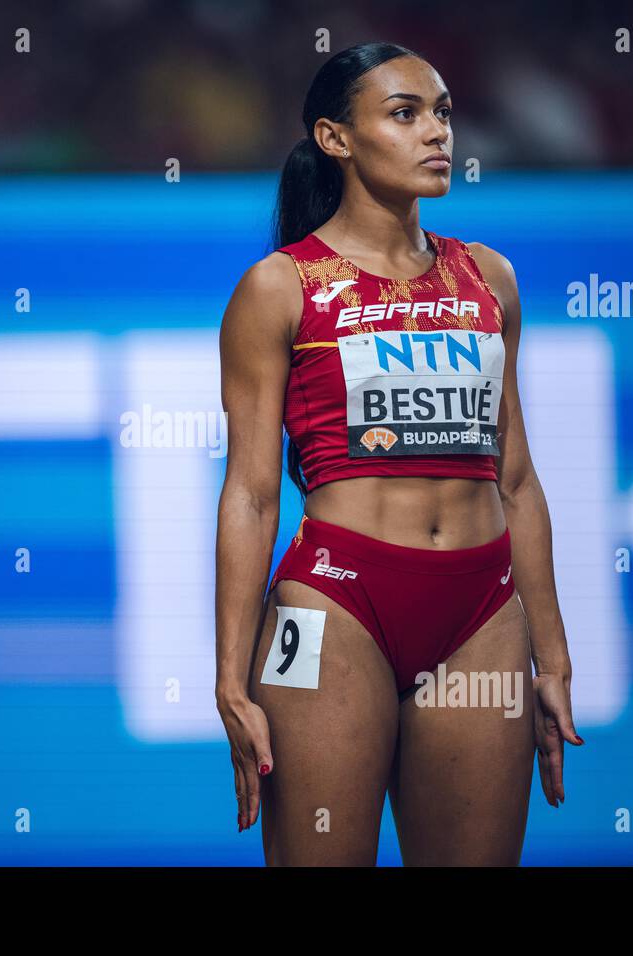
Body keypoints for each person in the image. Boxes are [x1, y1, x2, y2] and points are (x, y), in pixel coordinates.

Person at [215, 42, 581, 866]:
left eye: (443, 112)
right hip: (336, 608)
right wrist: (231, 681)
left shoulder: (490, 279)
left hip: (482, 613)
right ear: (335, 139)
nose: (437, 133)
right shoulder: (280, 288)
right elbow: (250, 495)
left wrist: (551, 656)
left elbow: (516, 481)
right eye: (405, 114)